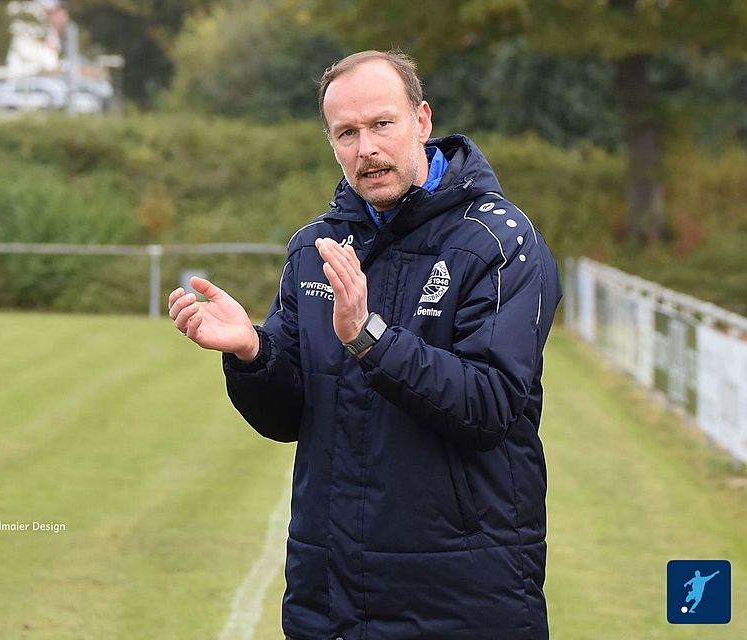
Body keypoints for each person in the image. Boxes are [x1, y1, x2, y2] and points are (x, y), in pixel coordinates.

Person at [168, 49, 561, 640]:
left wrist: (370, 339)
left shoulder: (499, 241)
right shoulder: (314, 249)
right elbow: (288, 415)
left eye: (382, 124)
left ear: (422, 121)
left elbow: (490, 406)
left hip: (465, 597)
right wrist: (251, 353)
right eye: (346, 133)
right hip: (330, 596)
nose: (366, 148)